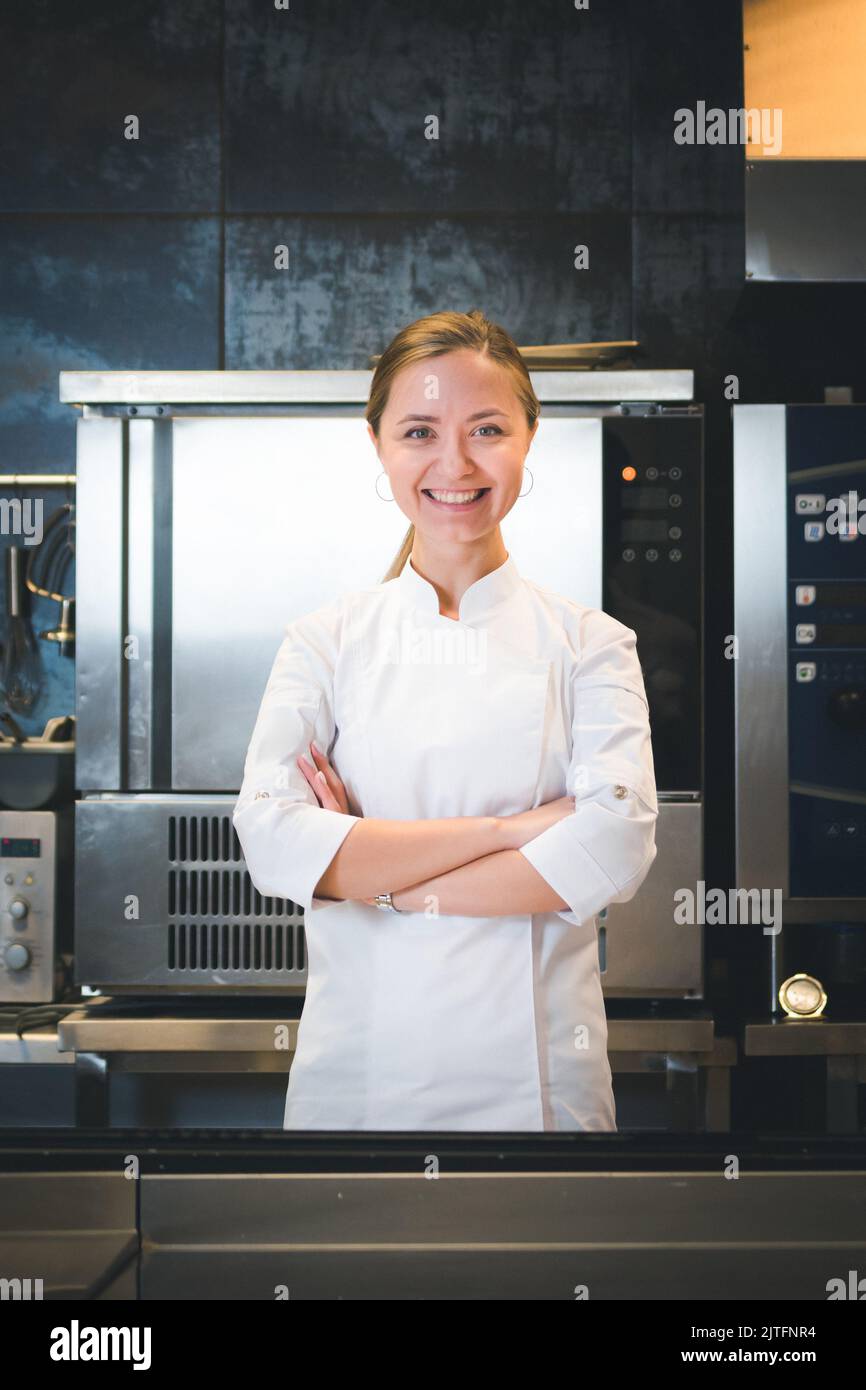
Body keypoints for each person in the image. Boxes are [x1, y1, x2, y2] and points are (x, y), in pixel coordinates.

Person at [233, 308, 658, 1131]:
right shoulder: (325, 642)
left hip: (539, 1099)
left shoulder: (591, 645)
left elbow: (614, 844)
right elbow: (273, 839)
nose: (455, 464)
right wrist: (509, 830)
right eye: (420, 431)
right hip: (357, 1092)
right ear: (380, 446)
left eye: (487, 429)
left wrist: (376, 879)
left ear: (530, 437)